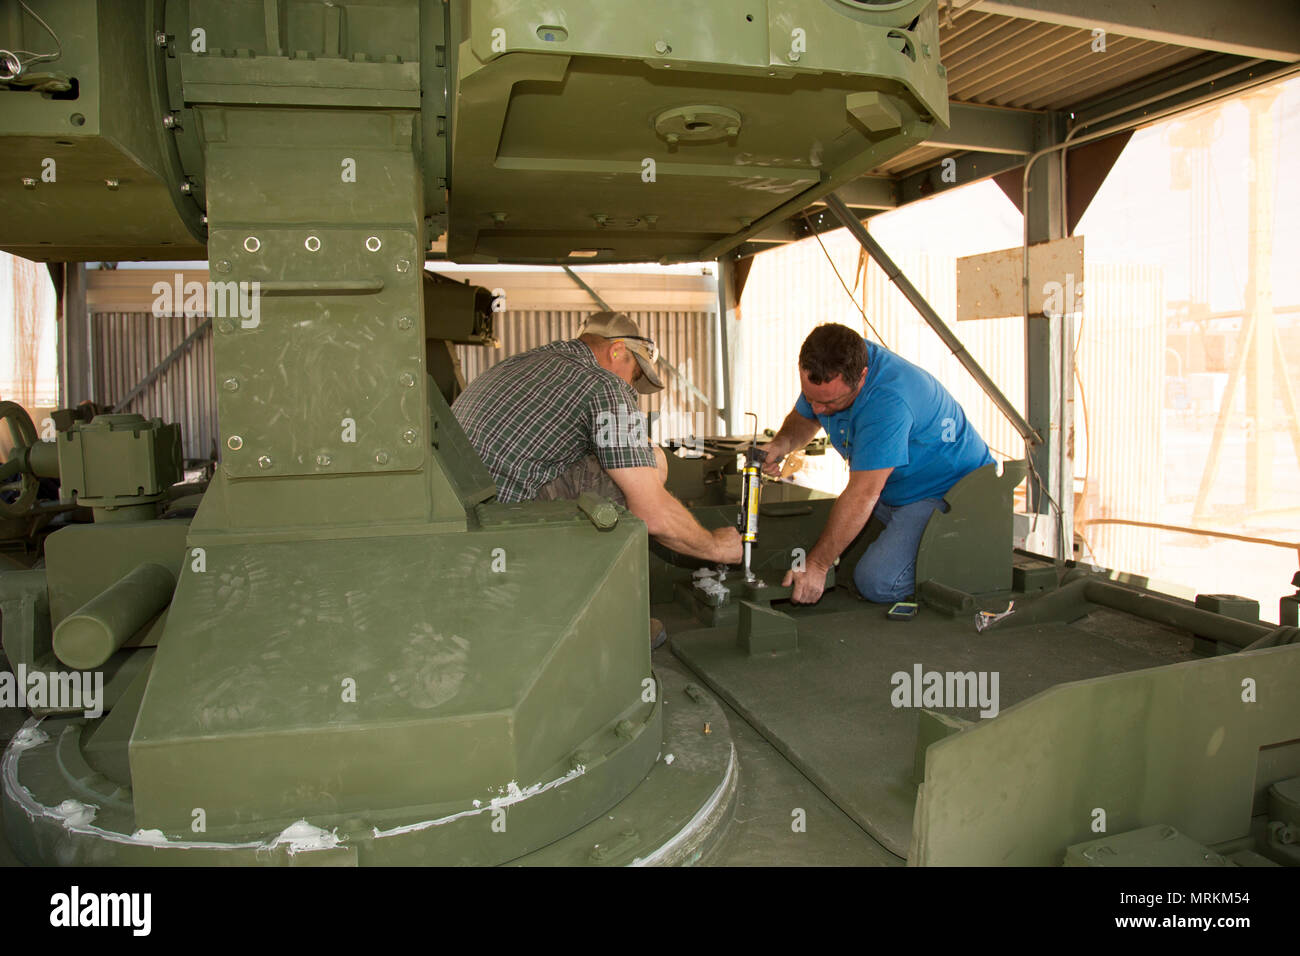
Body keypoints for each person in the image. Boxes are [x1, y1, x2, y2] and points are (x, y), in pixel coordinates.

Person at [452, 310, 743, 570]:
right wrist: (714, 546)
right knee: (652, 461)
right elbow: (651, 513)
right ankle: (597, 602)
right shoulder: (604, 383)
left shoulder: (526, 361)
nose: (630, 386)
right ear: (617, 351)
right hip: (505, 530)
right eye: (635, 374)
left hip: (460, 517)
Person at [761, 323, 994, 605]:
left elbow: (863, 493)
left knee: (877, 581)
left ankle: (966, 558)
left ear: (862, 377)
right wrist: (781, 444)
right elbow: (805, 416)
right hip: (894, 489)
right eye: (810, 397)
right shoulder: (832, 364)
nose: (818, 410)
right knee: (825, 542)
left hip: (947, 495)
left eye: (829, 402)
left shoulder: (889, 402)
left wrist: (818, 566)